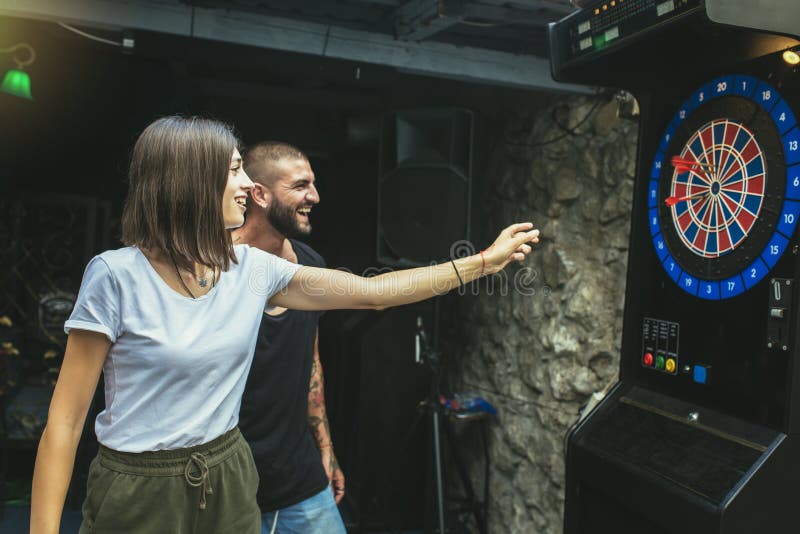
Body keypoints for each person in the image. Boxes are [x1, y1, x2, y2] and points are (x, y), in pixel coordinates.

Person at [29, 115, 540, 534]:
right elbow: (65, 424)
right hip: (138, 486)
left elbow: (374, 293)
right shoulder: (116, 275)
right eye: (234, 171)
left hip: (227, 476)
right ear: (190, 182)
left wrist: (480, 263)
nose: (247, 185)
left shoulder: (253, 272)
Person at [232, 141, 346, 533]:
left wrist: (326, 447)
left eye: (312, 184)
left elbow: (310, 363)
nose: (314, 196)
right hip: (225, 482)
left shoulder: (310, 265)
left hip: (297, 480)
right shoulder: (216, 269)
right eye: (300, 186)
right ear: (259, 195)